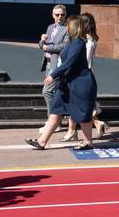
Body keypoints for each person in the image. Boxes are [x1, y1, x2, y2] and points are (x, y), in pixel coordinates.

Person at [29, 16, 98, 150]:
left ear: (73, 27)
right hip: (67, 84)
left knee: (83, 113)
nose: (66, 27)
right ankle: (41, 141)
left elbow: (69, 62)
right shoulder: (70, 42)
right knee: (56, 109)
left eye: (68, 25)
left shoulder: (79, 42)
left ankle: (88, 142)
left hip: (80, 83)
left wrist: (53, 74)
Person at [38, 5, 71, 141]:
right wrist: (42, 41)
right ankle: (54, 120)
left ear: (65, 15)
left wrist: (48, 47)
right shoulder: (50, 27)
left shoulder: (68, 28)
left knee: (46, 91)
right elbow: (41, 45)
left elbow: (65, 46)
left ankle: (54, 121)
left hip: (57, 66)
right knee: (51, 93)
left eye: (62, 15)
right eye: (57, 14)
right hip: (48, 64)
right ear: (53, 15)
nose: (59, 17)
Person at [80, 12, 109, 138]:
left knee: (84, 104)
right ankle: (98, 124)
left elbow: (86, 61)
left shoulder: (88, 42)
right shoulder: (89, 39)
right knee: (85, 103)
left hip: (85, 75)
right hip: (88, 74)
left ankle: (97, 124)